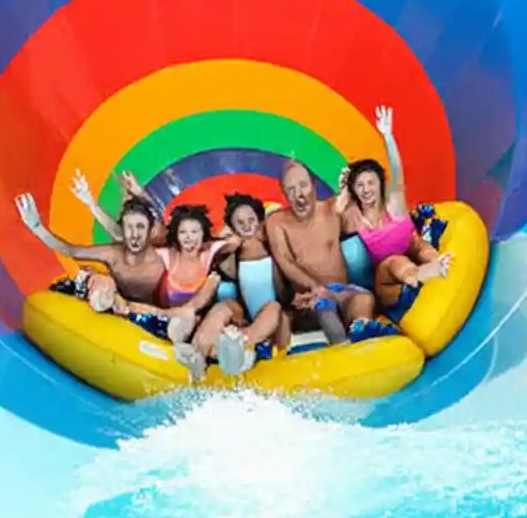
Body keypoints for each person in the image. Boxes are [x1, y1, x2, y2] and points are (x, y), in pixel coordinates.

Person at [335, 105, 451, 311]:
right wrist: (344, 189)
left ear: (380, 184)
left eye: (370, 183)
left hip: (412, 248)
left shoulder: (393, 204)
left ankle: (440, 264)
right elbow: (335, 214)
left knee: (421, 247)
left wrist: (387, 135)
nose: (366, 190)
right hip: (387, 276)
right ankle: (421, 276)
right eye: (360, 185)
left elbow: (396, 170)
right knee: (397, 263)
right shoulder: (355, 217)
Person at [267, 159, 386, 344]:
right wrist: (316, 288)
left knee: (364, 300)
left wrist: (350, 188)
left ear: (313, 185)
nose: (299, 194)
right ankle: (340, 345)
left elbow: (364, 215)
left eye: (303, 185)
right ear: (284, 194)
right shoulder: (277, 222)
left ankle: (362, 341)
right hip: (309, 299)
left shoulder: (333, 209)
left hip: (342, 292)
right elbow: (285, 262)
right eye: (291, 189)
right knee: (324, 308)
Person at [113, 204, 236, 380]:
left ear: (203, 234)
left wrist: (219, 235)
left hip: (193, 318)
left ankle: (204, 356)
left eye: (195, 232)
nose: (189, 238)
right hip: (166, 316)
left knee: (193, 314)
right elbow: (127, 242)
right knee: (182, 318)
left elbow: (238, 239)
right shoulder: (167, 255)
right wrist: (94, 206)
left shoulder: (209, 253)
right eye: (183, 232)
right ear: (176, 236)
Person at [14, 192, 167, 313]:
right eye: (129, 228)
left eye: (140, 227)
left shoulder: (163, 255)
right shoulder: (114, 253)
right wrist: (37, 227)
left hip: (150, 310)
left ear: (150, 231)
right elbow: (70, 250)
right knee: (101, 286)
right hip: (117, 300)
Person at [200, 193, 292, 375]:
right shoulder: (232, 249)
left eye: (251, 220)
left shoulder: (271, 240)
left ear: (259, 219)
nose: (247, 226)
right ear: (232, 227)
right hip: (248, 318)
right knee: (223, 307)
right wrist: (226, 242)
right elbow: (212, 256)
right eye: (240, 223)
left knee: (273, 308)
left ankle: (239, 345)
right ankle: (199, 352)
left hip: (277, 321)